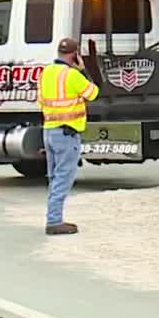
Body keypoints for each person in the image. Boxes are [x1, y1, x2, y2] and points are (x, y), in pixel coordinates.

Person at [38, 37, 100, 235]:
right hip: (67, 133)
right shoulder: (72, 75)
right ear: (75, 55)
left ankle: (53, 217)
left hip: (49, 130)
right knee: (63, 178)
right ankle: (54, 221)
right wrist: (83, 70)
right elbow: (94, 93)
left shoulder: (46, 73)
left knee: (54, 177)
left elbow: (41, 100)